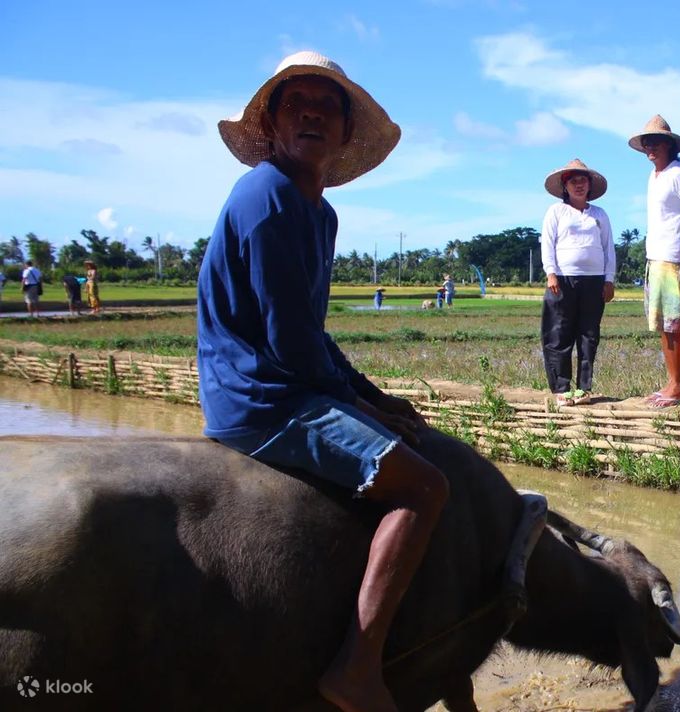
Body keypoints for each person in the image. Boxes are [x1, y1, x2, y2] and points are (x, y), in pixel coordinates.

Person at [197, 50, 449, 712]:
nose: (311, 112)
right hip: (258, 397)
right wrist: (356, 404)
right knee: (424, 487)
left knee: (401, 430)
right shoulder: (268, 195)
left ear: (342, 131)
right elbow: (286, 342)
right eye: (294, 102)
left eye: (326, 104)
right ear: (273, 125)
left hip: (282, 381)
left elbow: (308, 333)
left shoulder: (318, 211)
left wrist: (370, 396)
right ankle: (358, 667)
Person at [629, 115, 680, 408]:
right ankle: (672, 381)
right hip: (655, 258)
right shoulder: (655, 176)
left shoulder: (679, 175)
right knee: (663, 325)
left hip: (672, 258)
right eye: (647, 143)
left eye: (656, 143)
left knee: (673, 324)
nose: (650, 148)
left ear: (669, 145)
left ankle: (677, 386)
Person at [539, 158, 616, 407]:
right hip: (562, 279)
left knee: (588, 334)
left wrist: (609, 279)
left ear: (590, 185)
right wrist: (551, 272)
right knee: (559, 333)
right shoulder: (556, 212)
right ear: (565, 186)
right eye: (574, 181)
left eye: (583, 180)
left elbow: (608, 249)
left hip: (594, 281)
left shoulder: (599, 215)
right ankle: (561, 388)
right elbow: (547, 243)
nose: (579, 185)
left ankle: (584, 388)